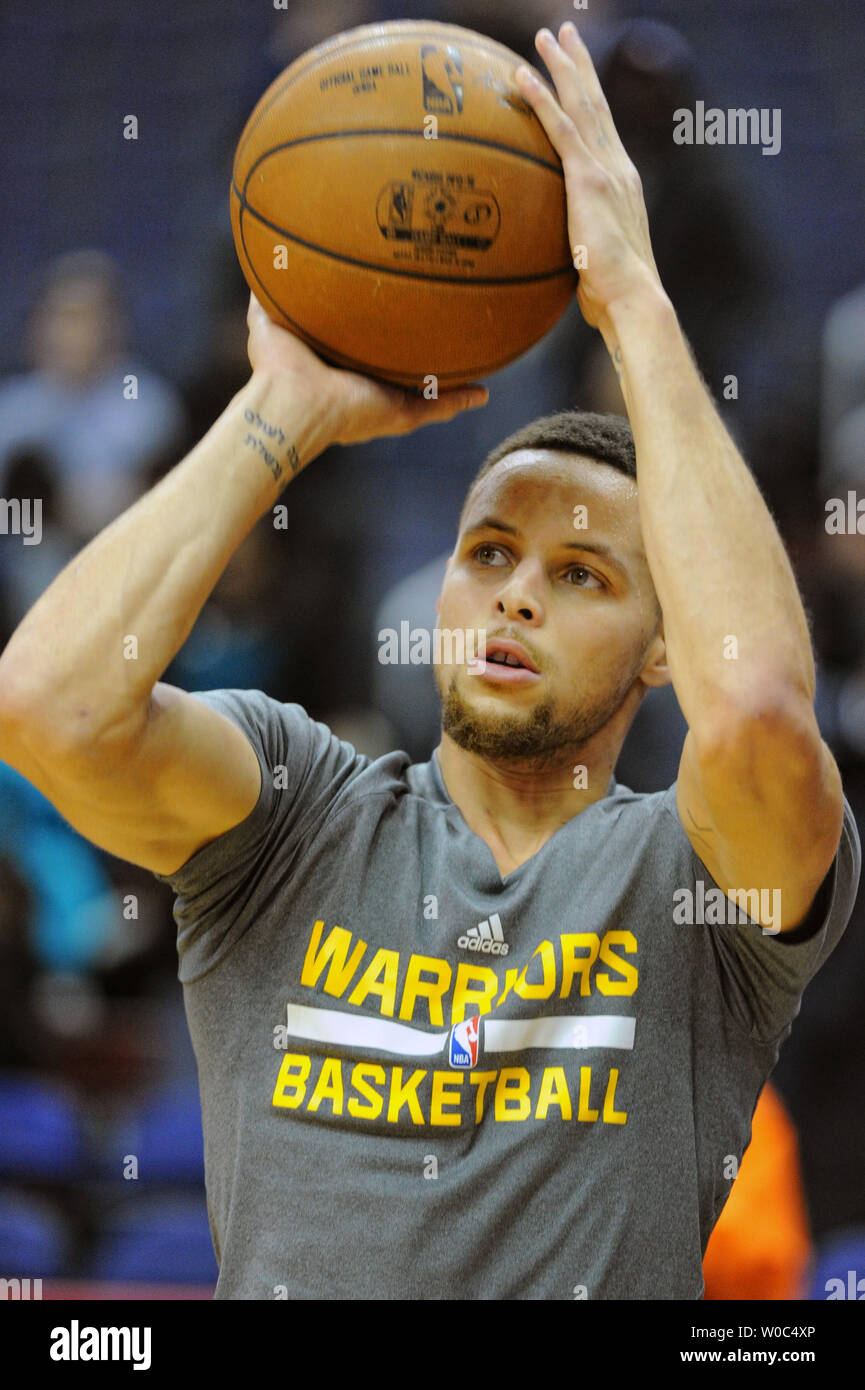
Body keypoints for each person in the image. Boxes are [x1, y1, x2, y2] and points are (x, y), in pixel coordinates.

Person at [0, 22, 858, 1299]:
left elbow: (759, 713)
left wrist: (632, 299)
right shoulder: (298, 812)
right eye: (491, 552)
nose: (516, 594)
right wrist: (276, 413)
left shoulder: (697, 882)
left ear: (664, 646)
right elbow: (44, 707)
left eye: (582, 574)